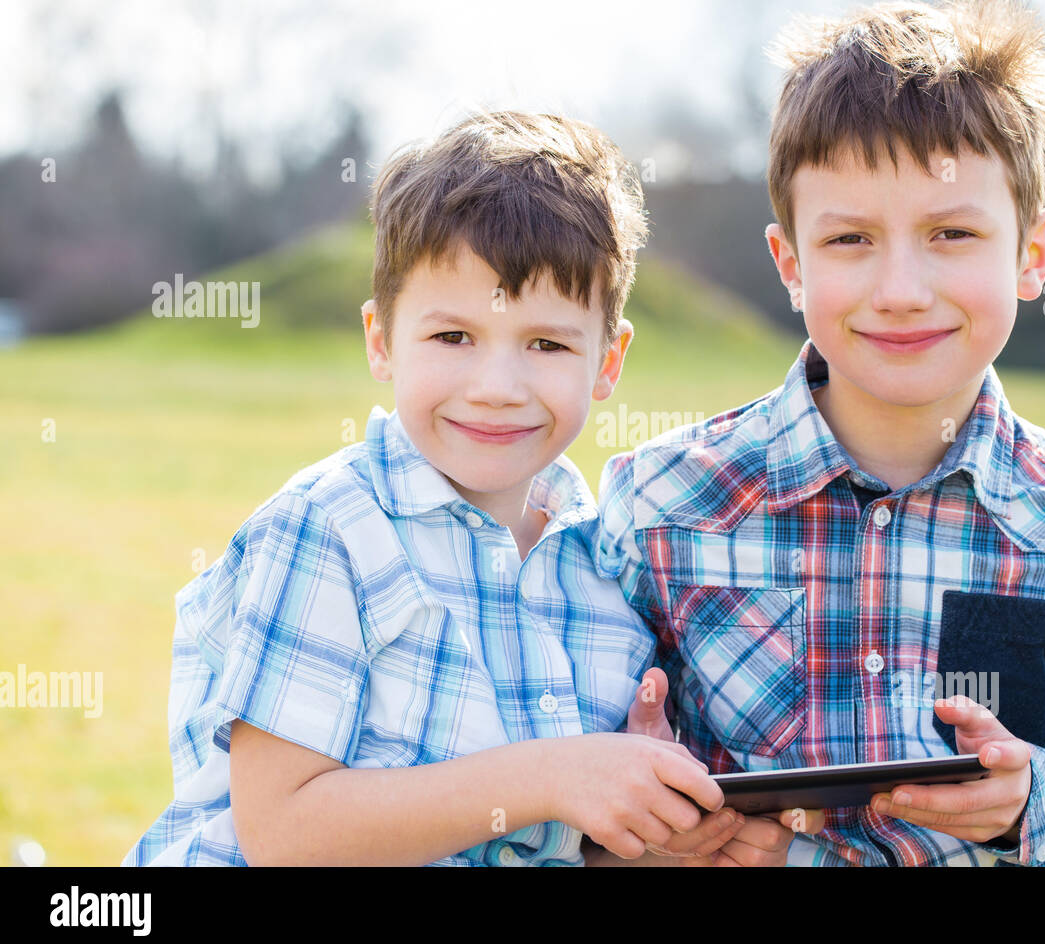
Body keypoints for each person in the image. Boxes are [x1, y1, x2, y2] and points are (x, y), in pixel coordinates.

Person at [595, 0, 1045, 866]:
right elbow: (543, 801)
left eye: (951, 233)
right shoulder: (657, 506)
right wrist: (621, 842)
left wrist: (1042, 805)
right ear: (790, 263)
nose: (903, 288)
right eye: (850, 239)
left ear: (1033, 251)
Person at [123, 109, 803, 866]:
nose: (496, 388)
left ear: (609, 361)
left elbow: (550, 842)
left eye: (546, 344)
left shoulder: (606, 567)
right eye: (453, 338)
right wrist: (553, 775)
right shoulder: (328, 530)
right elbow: (285, 833)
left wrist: (649, 834)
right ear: (381, 340)